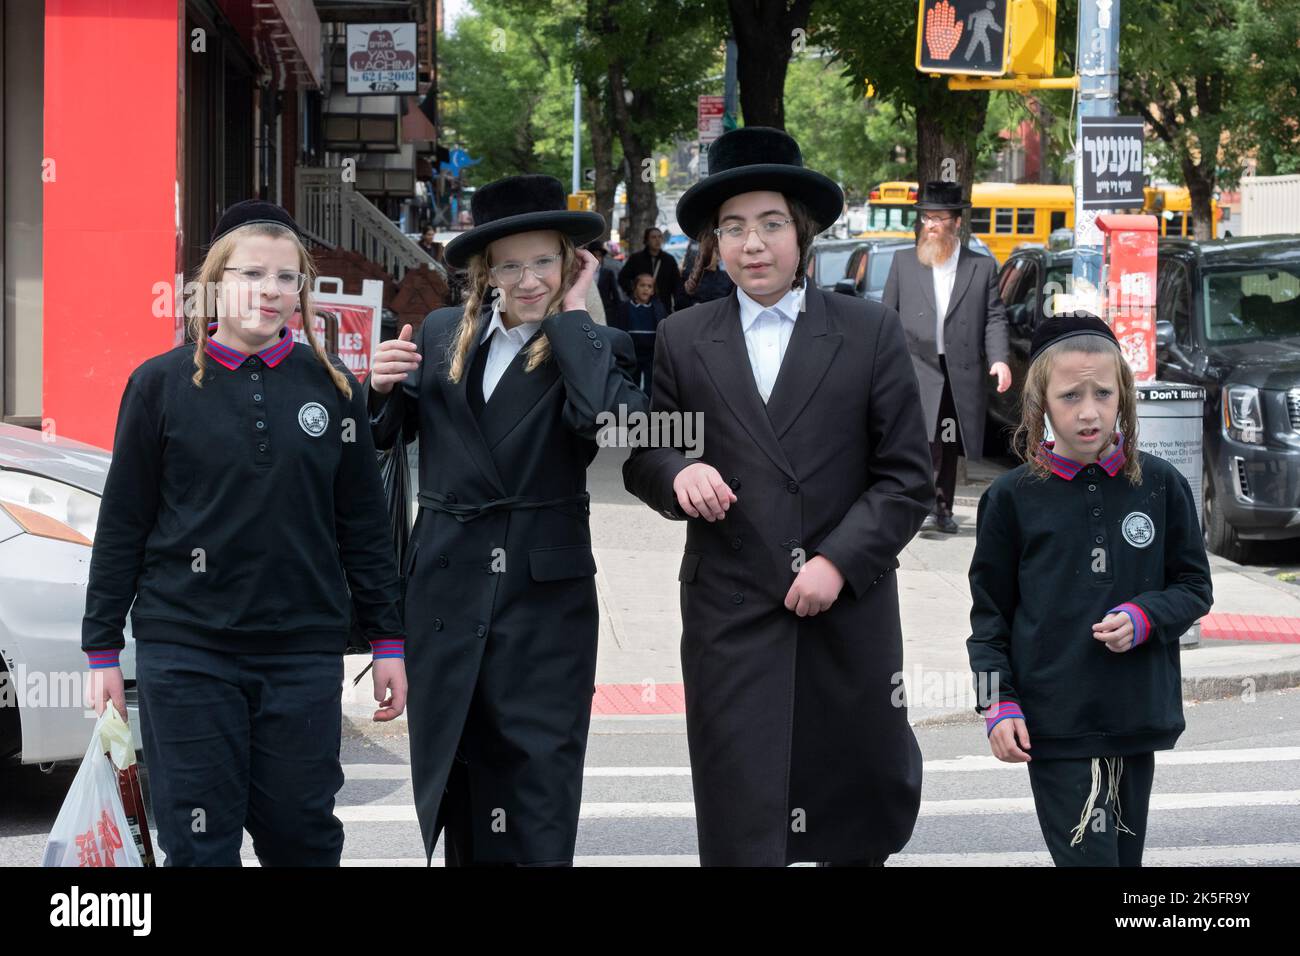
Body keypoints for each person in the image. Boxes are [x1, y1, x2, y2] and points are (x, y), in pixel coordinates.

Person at [623, 126, 935, 867]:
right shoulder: (683, 336)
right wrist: (675, 475)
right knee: (742, 811)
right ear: (713, 243)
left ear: (803, 234)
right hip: (731, 609)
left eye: (769, 225)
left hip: (844, 608)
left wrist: (837, 561)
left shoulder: (868, 331)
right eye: (733, 228)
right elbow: (644, 450)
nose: (751, 244)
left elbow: (907, 476)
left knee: (851, 803)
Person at [82, 200, 407, 867]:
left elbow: (364, 526)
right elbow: (122, 525)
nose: (270, 290)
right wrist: (101, 651)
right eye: (251, 274)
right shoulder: (159, 385)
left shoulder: (333, 386)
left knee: (304, 839)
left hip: (301, 653)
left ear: (302, 290)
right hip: (187, 651)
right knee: (200, 845)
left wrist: (389, 641)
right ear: (214, 283)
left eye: (286, 278)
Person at [366, 174, 647, 866]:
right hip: (446, 592)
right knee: (461, 784)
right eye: (511, 264)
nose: (528, 280)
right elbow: (380, 438)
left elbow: (616, 425)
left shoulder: (591, 348)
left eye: (544, 261)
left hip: (542, 603)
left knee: (537, 794)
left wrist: (576, 313)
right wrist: (376, 387)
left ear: (571, 262)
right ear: (486, 270)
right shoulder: (438, 335)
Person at [967, 313, 1213, 866]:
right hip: (1053, 726)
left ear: (1123, 395)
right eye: (1070, 395)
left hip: (1134, 718)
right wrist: (996, 702)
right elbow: (988, 619)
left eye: (1103, 393)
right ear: (1041, 404)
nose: (1088, 411)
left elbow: (1195, 587)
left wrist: (1147, 616)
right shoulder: (1011, 499)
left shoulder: (1161, 484)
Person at [883, 180, 1011, 535]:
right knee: (920, 439)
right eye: (927, 218)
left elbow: (995, 316)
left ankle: (943, 508)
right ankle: (923, 506)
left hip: (958, 369)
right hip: (914, 365)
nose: (932, 225)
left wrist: (999, 359)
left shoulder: (980, 267)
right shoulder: (904, 262)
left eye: (939, 218)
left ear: (957, 222)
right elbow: (887, 315)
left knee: (947, 440)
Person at [611, 272, 667, 391]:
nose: (646, 289)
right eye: (642, 285)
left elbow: (663, 329)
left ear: (653, 291)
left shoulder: (658, 308)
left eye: (649, 286)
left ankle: (650, 407)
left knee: (651, 385)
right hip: (632, 353)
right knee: (631, 382)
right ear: (634, 287)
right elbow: (618, 330)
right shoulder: (624, 308)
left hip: (651, 354)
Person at [618, 226, 680, 312]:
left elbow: (676, 284)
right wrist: (633, 292)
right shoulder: (636, 259)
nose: (657, 240)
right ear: (647, 240)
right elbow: (622, 277)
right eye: (653, 237)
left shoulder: (669, 260)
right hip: (640, 306)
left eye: (659, 237)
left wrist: (677, 304)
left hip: (662, 306)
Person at [587, 239, 621, 318]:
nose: (597, 258)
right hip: (587, 309)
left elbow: (615, 293)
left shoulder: (607, 273)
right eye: (594, 255)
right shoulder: (582, 272)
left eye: (599, 255)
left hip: (604, 310)